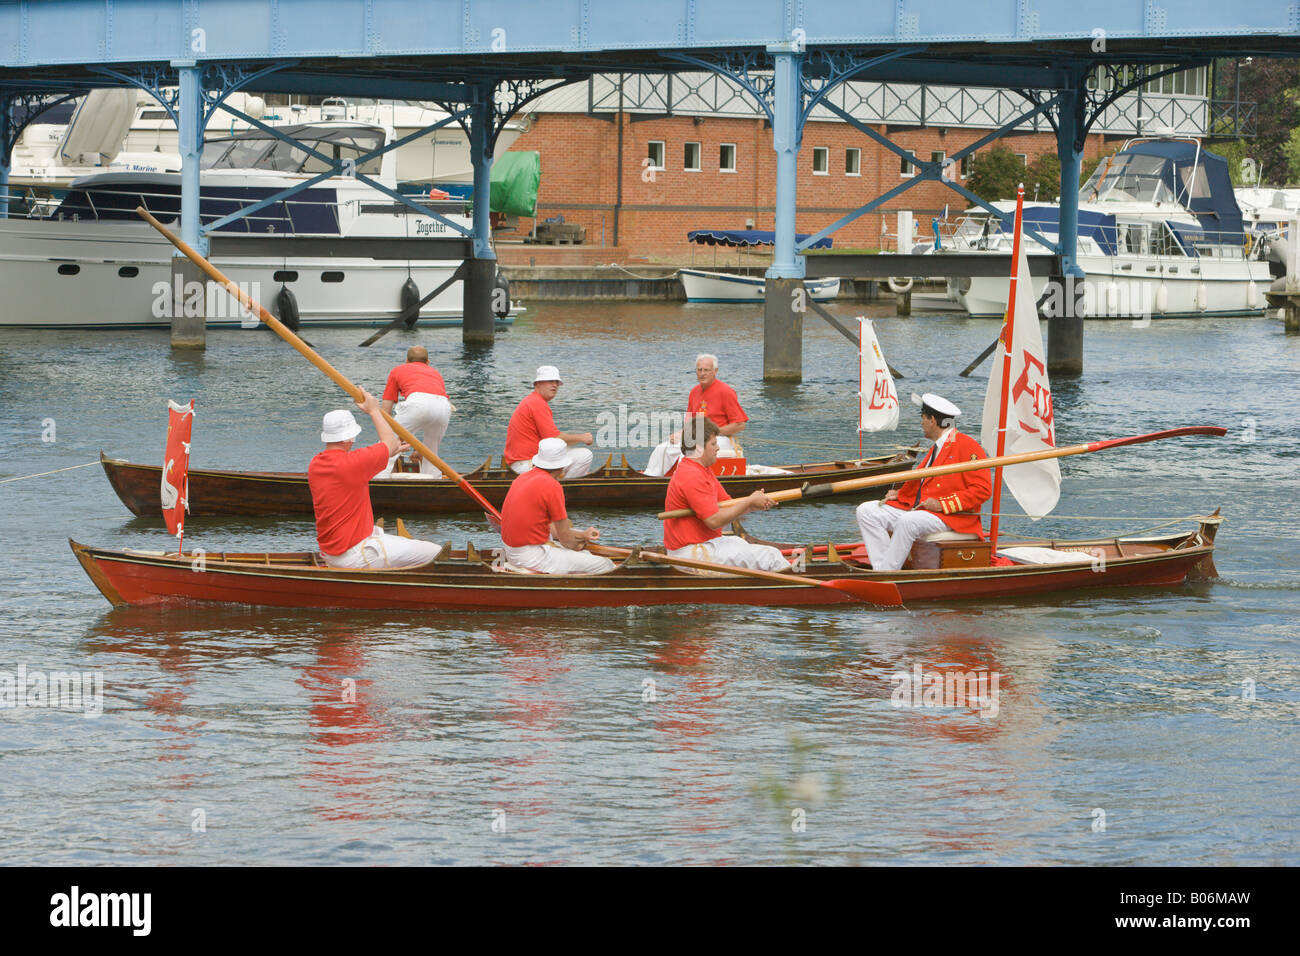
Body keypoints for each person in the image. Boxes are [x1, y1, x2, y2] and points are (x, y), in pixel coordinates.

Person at [854, 392, 991, 571]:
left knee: (908, 521)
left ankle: (887, 573)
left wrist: (942, 505)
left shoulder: (967, 446)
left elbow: (983, 490)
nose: (921, 423)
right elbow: (925, 484)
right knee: (866, 511)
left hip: (950, 516)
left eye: (923, 418)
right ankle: (883, 568)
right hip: (924, 511)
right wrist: (900, 495)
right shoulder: (938, 446)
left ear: (932, 420)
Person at [308, 390, 443, 569]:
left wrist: (390, 450)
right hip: (354, 553)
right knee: (436, 552)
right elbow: (390, 443)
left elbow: (384, 450)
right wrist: (374, 410)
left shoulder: (316, 463)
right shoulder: (354, 463)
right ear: (351, 437)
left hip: (332, 553)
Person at [662, 417, 790, 571]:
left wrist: (755, 505)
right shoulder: (691, 475)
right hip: (688, 553)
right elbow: (714, 521)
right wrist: (749, 502)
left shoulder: (704, 470)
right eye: (713, 444)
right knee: (771, 556)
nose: (717, 449)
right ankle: (798, 587)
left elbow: (730, 507)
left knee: (743, 545)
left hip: (706, 544)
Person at [498, 437, 616, 574]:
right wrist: (576, 544)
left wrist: (582, 535)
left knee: (586, 557)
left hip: (514, 553)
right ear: (562, 466)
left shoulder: (521, 478)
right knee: (605, 565)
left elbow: (551, 529)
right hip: (532, 557)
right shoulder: (552, 486)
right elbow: (566, 540)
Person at [644, 353, 748, 476]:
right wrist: (679, 434)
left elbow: (740, 425)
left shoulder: (725, 391)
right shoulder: (694, 392)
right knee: (662, 448)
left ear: (715, 371)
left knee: (688, 452)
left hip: (718, 438)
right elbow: (690, 424)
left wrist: (712, 433)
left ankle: (680, 480)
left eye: (706, 370)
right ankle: (651, 477)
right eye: (699, 370)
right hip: (697, 437)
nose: (702, 373)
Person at [503, 365, 594, 478]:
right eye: (550, 381)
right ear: (537, 384)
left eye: (556, 382)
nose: (555, 385)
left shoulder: (532, 401)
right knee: (585, 455)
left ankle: (560, 480)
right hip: (525, 465)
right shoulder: (537, 403)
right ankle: (560, 488)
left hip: (521, 463)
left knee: (565, 452)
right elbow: (554, 438)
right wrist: (582, 438)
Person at [377, 345, 453, 478]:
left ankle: (377, 478)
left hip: (417, 403)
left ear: (406, 360)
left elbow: (386, 407)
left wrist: (387, 433)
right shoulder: (435, 373)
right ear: (428, 362)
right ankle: (433, 480)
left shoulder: (398, 370)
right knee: (431, 452)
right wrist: (419, 450)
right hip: (444, 406)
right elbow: (431, 409)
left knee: (388, 445)